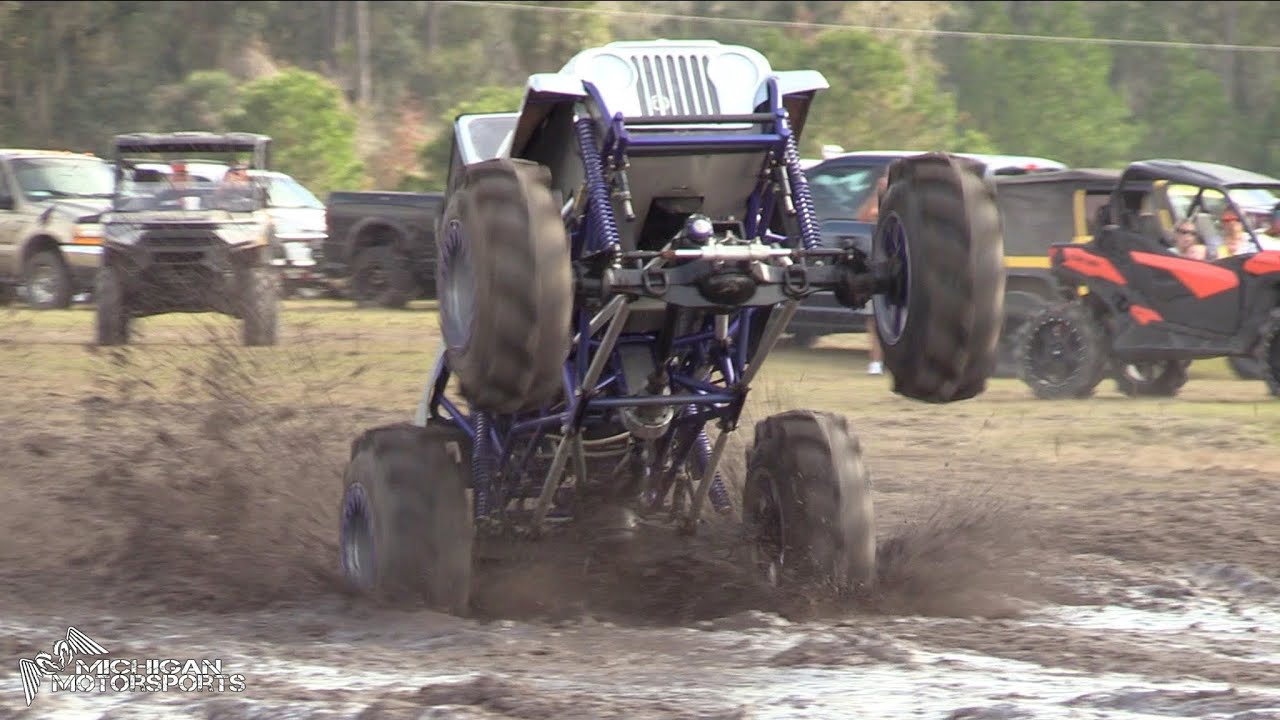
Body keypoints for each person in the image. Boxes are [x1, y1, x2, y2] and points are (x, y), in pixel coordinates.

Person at [858, 174, 890, 375]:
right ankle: (876, 361)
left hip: (902, 264)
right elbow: (863, 217)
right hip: (879, 262)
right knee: (874, 317)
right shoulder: (877, 205)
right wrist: (876, 195)